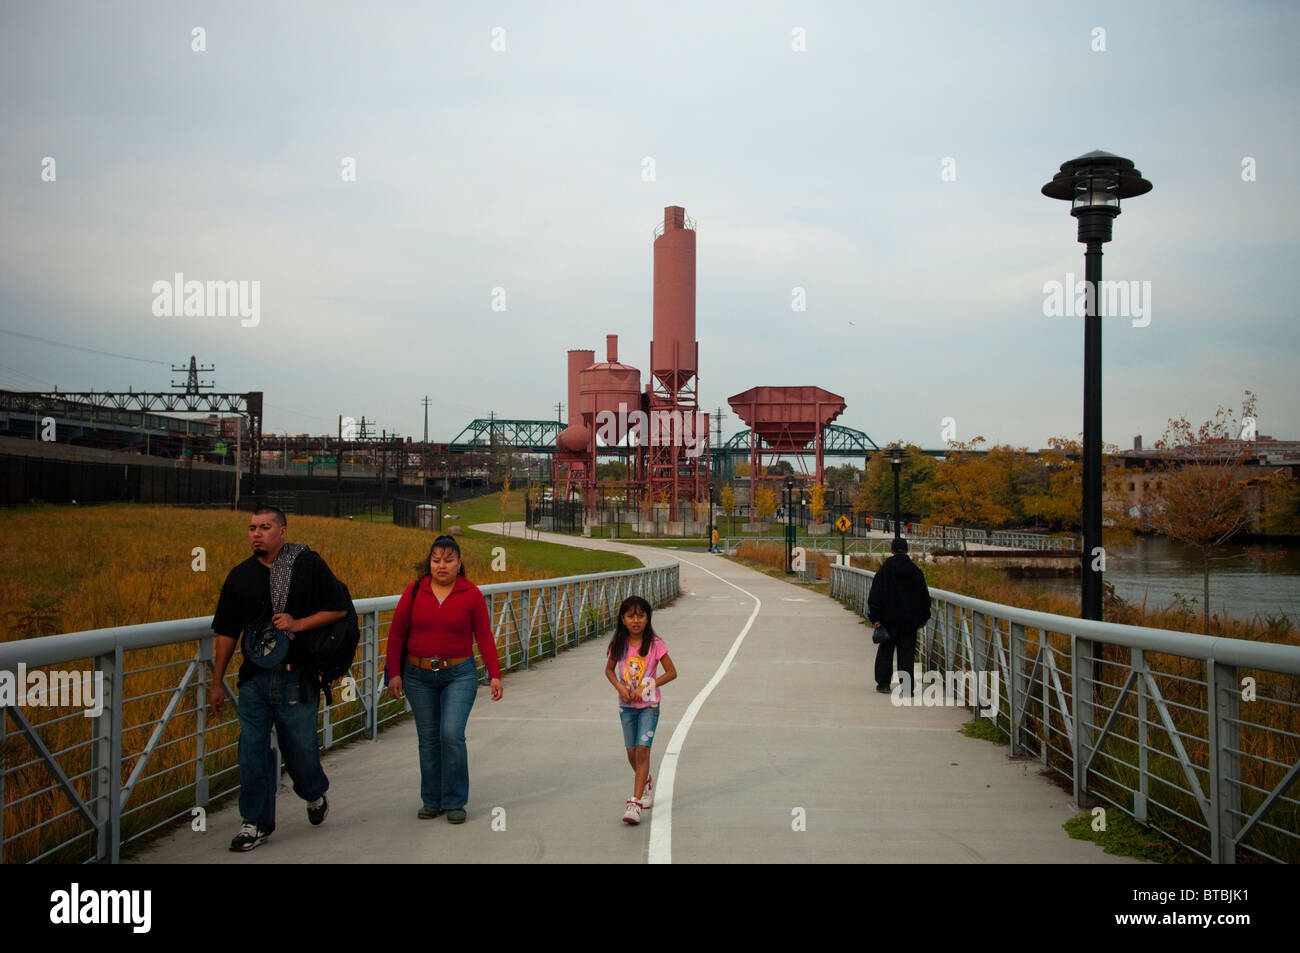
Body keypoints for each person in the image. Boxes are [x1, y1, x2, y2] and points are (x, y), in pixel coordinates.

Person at [210, 506, 350, 852]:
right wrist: (217, 681)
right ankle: (254, 822)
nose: (256, 534)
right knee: (251, 751)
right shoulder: (240, 576)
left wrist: (297, 624)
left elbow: (339, 608)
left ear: (282, 532)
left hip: (296, 677)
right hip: (254, 679)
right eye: (252, 528)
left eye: (265, 527)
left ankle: (314, 793)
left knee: (301, 751)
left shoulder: (307, 566)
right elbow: (227, 631)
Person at [386, 535, 502, 823]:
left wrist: (495, 674)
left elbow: (484, 636)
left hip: (459, 675)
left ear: (459, 563)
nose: (441, 565)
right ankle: (431, 800)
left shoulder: (471, 594)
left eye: (448, 560)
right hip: (418, 676)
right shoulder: (414, 591)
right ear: (429, 562)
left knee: (451, 734)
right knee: (428, 739)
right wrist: (394, 672)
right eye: (436, 560)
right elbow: (396, 633)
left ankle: (455, 800)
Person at [604, 596, 676, 825]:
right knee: (632, 753)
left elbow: (671, 672)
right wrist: (620, 687)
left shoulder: (655, 644)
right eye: (630, 616)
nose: (636, 620)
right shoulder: (618, 644)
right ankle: (645, 781)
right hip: (626, 707)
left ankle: (634, 803)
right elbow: (609, 670)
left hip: (649, 706)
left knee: (643, 750)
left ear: (648, 618)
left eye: (641, 616)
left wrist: (647, 686)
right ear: (622, 619)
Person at [867, 537, 931, 696]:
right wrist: (923, 617)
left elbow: (875, 595)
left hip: (887, 620)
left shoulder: (884, 571)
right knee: (907, 654)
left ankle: (883, 684)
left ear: (892, 550)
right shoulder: (915, 571)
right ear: (907, 550)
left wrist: (875, 618)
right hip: (909, 621)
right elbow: (924, 597)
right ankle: (907, 687)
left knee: (885, 652)